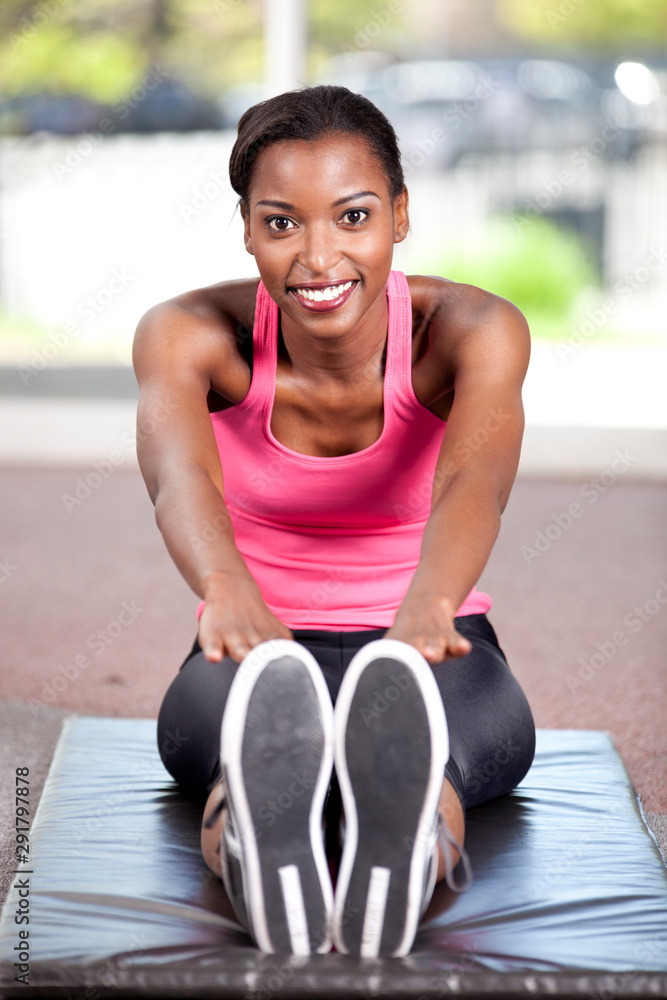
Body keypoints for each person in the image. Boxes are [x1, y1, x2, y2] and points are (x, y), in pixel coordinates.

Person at [133, 84, 536, 959]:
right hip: (251, 642)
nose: (318, 258)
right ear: (246, 229)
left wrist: (431, 604)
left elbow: (474, 481)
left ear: (397, 215)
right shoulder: (186, 334)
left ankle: (404, 853)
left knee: (425, 761)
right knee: (244, 769)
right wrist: (225, 587)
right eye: (282, 224)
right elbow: (178, 476)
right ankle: (253, 852)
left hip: (430, 638)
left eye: (351, 217)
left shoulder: (472, 329)